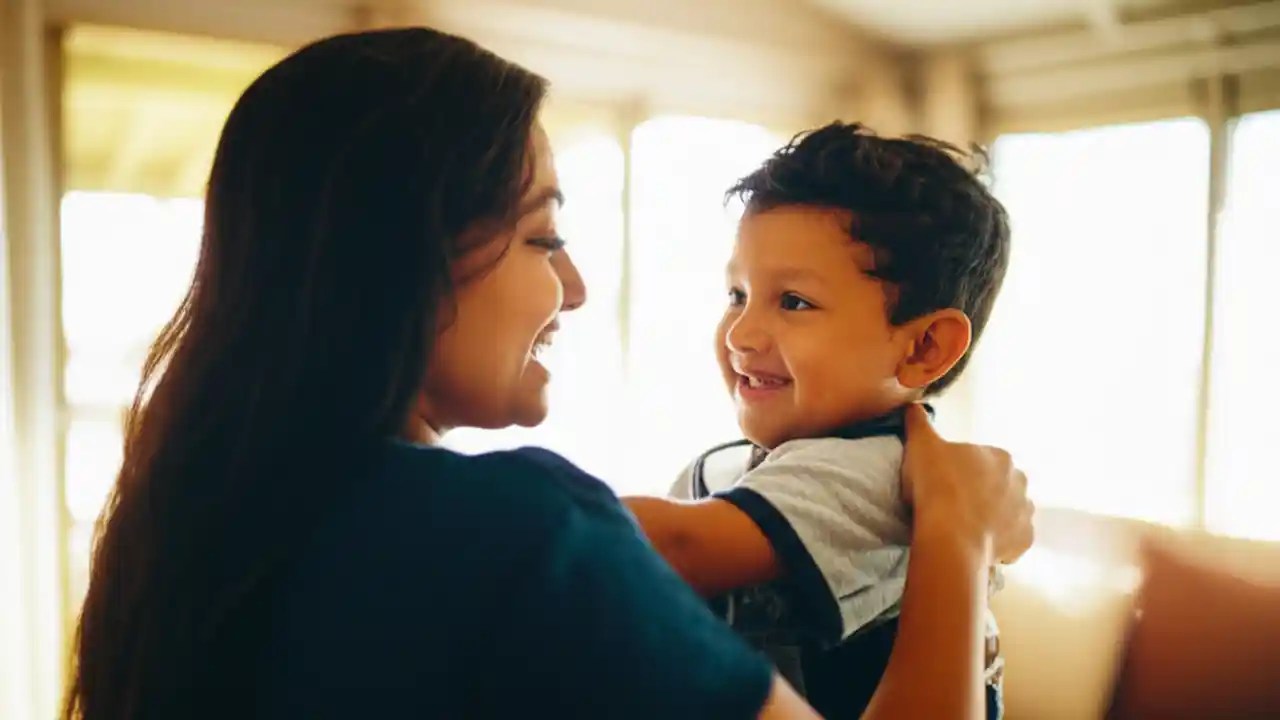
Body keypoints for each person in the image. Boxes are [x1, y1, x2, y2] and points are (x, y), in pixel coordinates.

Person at [64, 28, 1033, 720]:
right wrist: (959, 532)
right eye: (544, 236)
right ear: (401, 261)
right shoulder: (523, 532)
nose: (572, 286)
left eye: (791, 301)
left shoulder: (207, 517)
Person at [624, 123, 1013, 718]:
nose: (742, 334)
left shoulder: (877, 471)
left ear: (924, 348)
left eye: (794, 302)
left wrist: (493, 504)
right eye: (737, 295)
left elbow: (676, 546)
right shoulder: (741, 466)